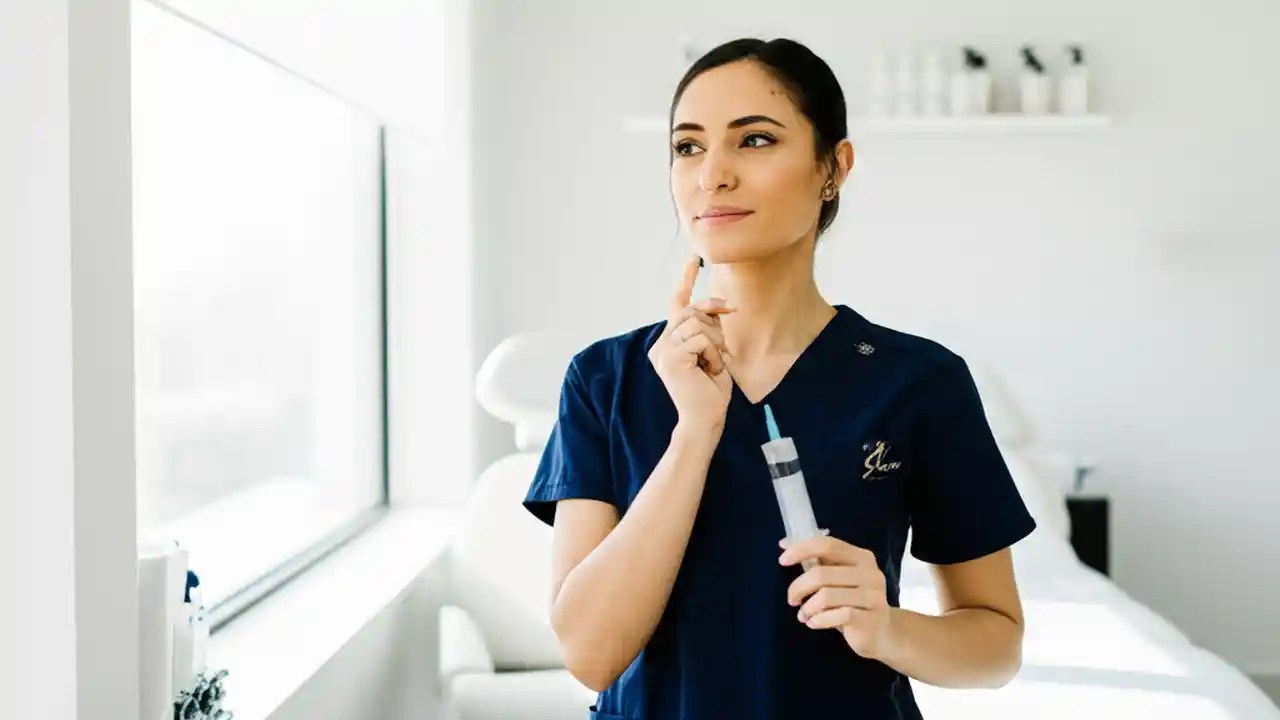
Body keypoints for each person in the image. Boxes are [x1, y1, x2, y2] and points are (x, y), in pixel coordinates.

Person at [522, 37, 1036, 720]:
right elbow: (590, 654)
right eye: (687, 147)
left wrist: (887, 628)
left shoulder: (919, 382)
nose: (712, 175)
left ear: (833, 167)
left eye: (755, 140)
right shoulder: (604, 379)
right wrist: (695, 434)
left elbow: (996, 645)